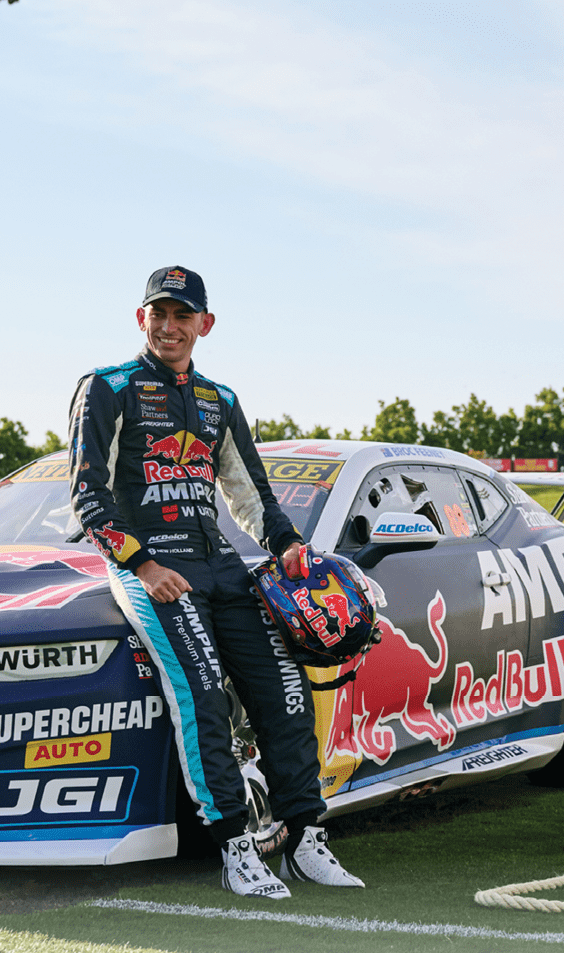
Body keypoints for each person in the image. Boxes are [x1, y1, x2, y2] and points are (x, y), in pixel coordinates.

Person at [69, 265, 362, 899]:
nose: (170, 326)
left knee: (284, 694)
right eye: (159, 314)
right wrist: (143, 565)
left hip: (222, 565)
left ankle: (306, 839)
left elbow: (251, 494)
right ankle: (234, 847)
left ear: (205, 324)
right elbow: (87, 494)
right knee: (201, 699)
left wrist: (287, 547)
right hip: (152, 567)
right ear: (140, 318)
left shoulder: (220, 400)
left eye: (182, 315)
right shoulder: (107, 387)